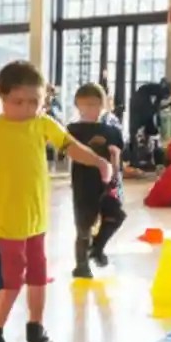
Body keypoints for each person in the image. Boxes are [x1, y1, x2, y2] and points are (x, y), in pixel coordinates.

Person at [0, 61, 112, 342]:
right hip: (6, 223)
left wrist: (98, 161)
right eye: (19, 102)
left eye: (35, 101)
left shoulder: (42, 124)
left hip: (36, 220)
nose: (28, 108)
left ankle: (36, 329)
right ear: (1, 96)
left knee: (38, 278)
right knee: (12, 283)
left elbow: (70, 146)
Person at [67, 83, 125, 279]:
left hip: (108, 182)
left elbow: (117, 156)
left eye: (94, 104)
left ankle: (97, 248)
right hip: (83, 182)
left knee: (115, 215)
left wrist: (115, 172)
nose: (90, 109)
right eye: (85, 105)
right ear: (77, 105)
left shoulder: (112, 131)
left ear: (102, 105)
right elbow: (68, 151)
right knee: (83, 224)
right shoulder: (72, 130)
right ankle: (81, 265)